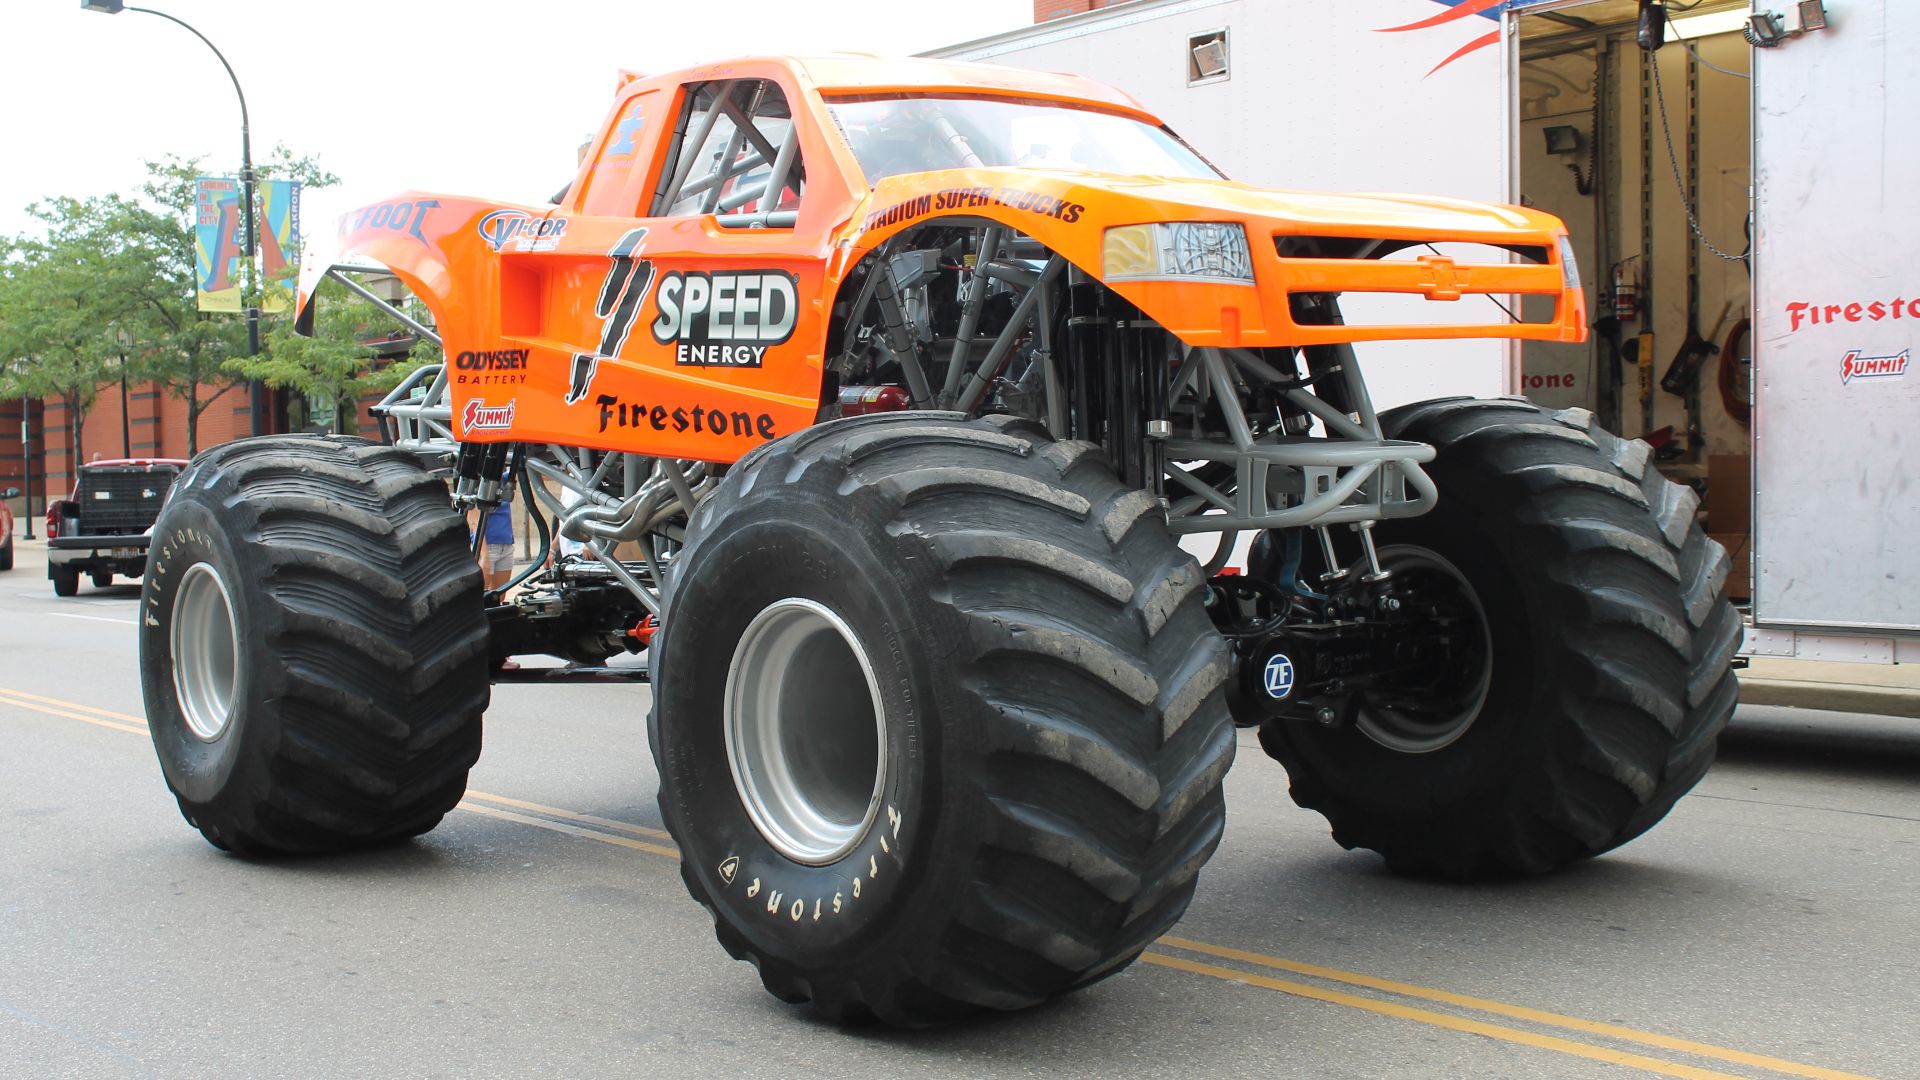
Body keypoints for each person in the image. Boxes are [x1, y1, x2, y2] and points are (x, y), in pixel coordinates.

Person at [478, 495, 515, 592]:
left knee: (498, 597)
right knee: (480, 595)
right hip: (488, 544)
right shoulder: (481, 483)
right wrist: (484, 553)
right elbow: (473, 518)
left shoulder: (505, 483)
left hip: (506, 543)